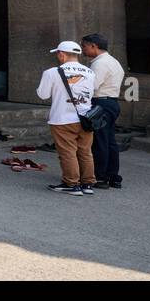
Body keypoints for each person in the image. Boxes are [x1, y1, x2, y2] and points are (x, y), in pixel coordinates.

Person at [37, 41, 96, 195]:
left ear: (62, 54)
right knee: (85, 152)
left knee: (67, 152)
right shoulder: (90, 72)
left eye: (58, 53)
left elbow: (43, 95)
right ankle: (87, 184)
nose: (58, 56)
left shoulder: (52, 72)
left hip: (62, 118)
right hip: (86, 118)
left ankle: (71, 184)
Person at [81, 32, 125, 189]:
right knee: (110, 141)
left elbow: (92, 87)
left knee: (99, 141)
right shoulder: (113, 61)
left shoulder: (99, 64)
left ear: (94, 46)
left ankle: (100, 177)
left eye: (84, 46)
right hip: (111, 103)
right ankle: (113, 176)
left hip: (101, 103)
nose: (83, 49)